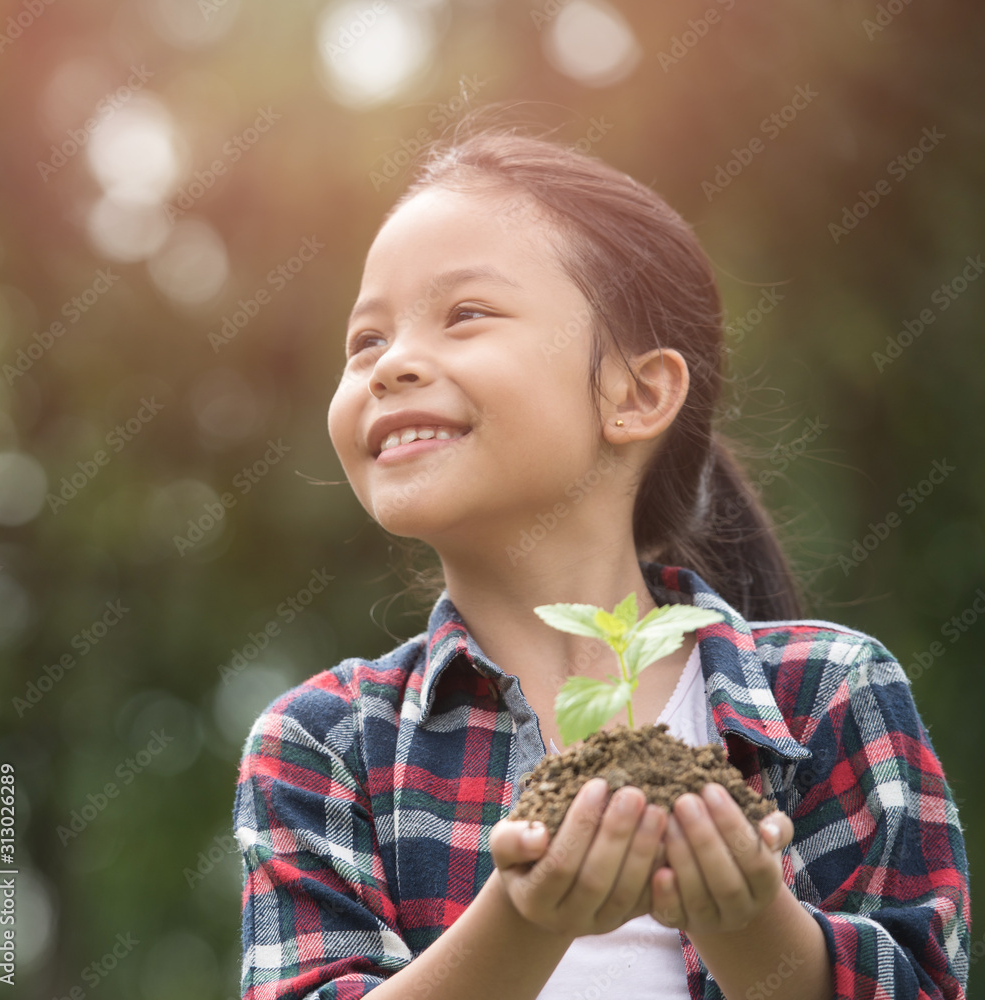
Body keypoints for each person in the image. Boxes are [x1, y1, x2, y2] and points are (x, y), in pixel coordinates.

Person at [233, 112, 970, 1000]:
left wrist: (752, 927)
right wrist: (524, 919)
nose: (390, 366)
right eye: (366, 340)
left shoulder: (831, 696)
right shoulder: (324, 743)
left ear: (636, 393)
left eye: (464, 314)